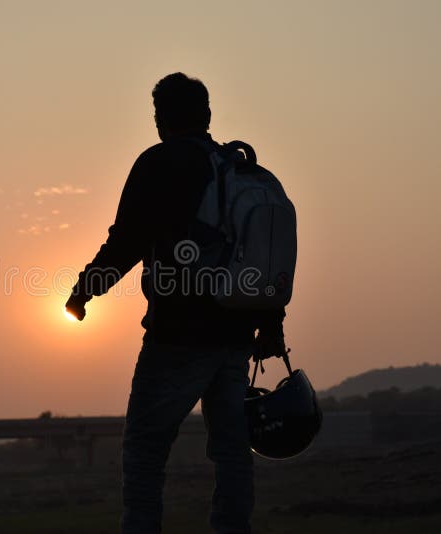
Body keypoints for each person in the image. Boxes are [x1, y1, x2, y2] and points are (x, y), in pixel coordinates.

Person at [65, 72, 287, 534]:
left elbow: (127, 240)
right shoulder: (237, 171)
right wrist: (271, 325)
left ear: (159, 118)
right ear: (207, 114)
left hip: (177, 334)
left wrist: (85, 290)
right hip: (234, 336)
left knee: (145, 449)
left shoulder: (159, 163)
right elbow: (262, 254)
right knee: (232, 450)